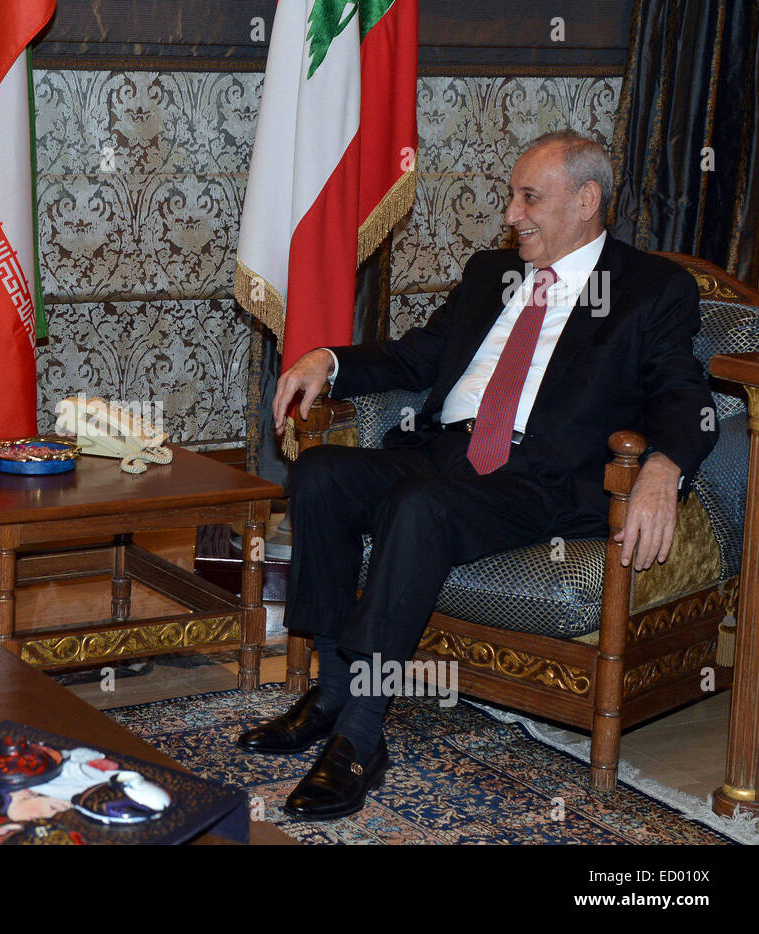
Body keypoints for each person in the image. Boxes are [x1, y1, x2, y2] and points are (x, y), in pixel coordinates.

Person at [237, 130, 717, 820]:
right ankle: (334, 687)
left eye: (529, 198)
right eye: (510, 196)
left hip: (540, 477)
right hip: (445, 450)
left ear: (586, 200)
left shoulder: (647, 289)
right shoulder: (492, 274)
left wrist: (664, 465)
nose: (512, 214)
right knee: (321, 473)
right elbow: (417, 357)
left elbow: (683, 392)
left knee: (420, 507)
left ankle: (359, 737)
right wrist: (328, 360)